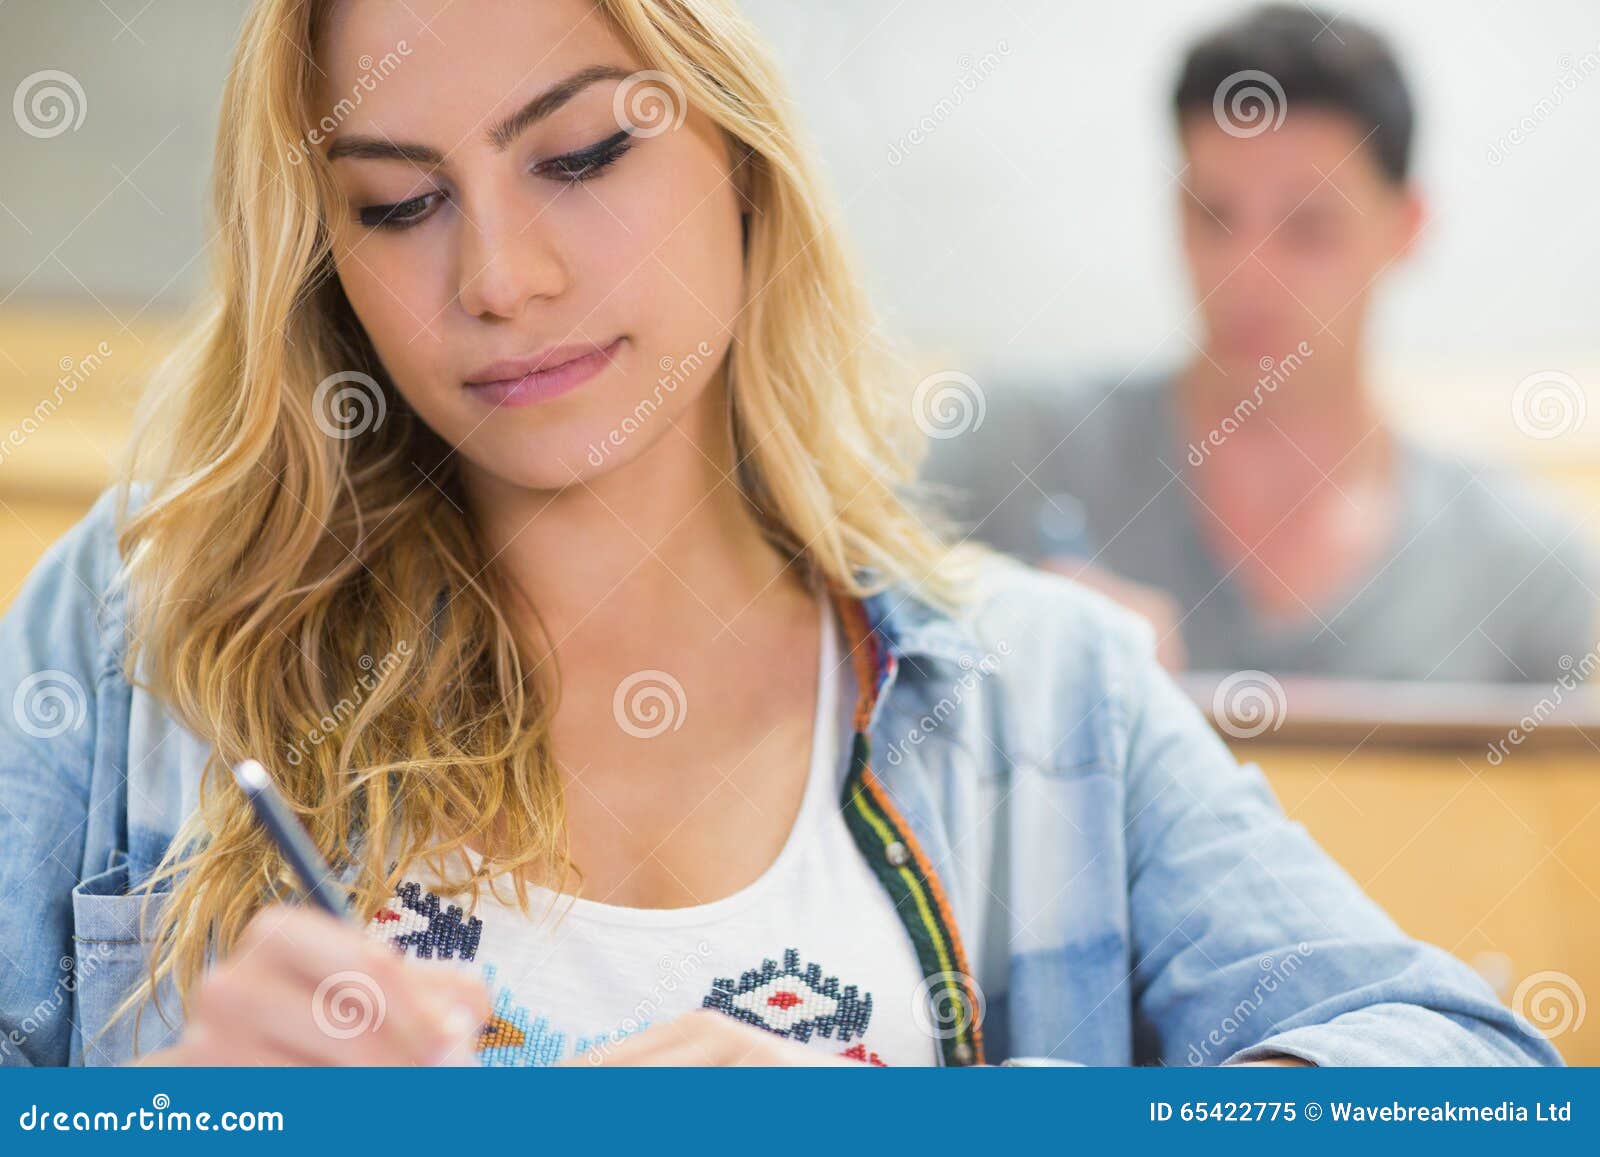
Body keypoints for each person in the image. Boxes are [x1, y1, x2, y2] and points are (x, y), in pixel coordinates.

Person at [0, 0, 1558, 1069]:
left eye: (583, 155)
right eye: (399, 204)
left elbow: (1470, 1085)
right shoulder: (143, 629)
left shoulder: (1042, 696)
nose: (498, 278)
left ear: (742, 165)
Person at [923, 4, 1597, 682]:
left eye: (1308, 226)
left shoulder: (1524, 585)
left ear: (1406, 228)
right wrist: (994, 636)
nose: (1246, 274)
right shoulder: (1010, 460)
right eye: (1214, 216)